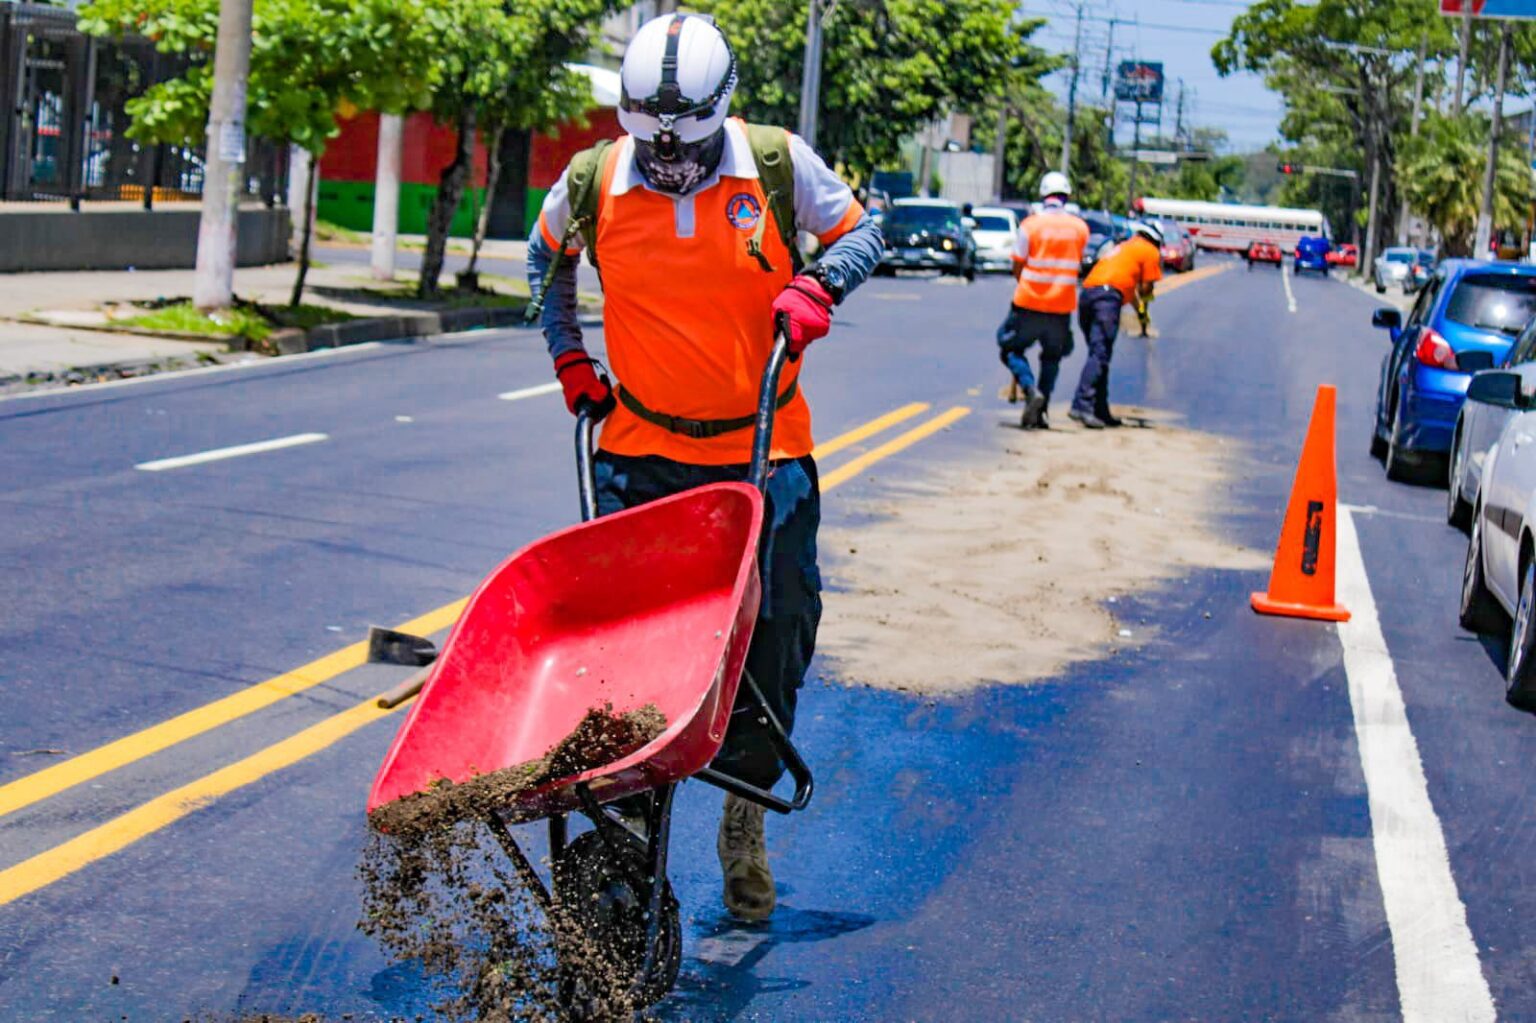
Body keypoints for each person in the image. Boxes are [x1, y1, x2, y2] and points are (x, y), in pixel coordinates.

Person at [525, 13, 882, 922]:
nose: (670, 163)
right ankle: (633, 834)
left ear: (724, 111)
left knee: (782, 623)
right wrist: (570, 355)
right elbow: (544, 259)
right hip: (640, 454)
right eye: (653, 145)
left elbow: (860, 234)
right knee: (627, 653)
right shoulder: (594, 179)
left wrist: (818, 285)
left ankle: (744, 809)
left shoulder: (776, 163)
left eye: (688, 147)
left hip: (767, 447)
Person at [997, 171, 1090, 430]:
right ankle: (1042, 408)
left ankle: (1029, 389)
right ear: (1066, 196)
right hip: (1061, 306)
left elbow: (1017, 262)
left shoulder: (1031, 225)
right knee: (1052, 357)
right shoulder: (1080, 228)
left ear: (1043, 195)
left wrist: (1025, 282)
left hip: (1028, 302)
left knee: (1009, 348)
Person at [1071, 219, 1164, 429]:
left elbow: (1130, 293)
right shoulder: (1149, 251)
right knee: (1100, 354)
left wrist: (1140, 313)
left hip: (1088, 295)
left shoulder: (1124, 249)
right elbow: (1146, 288)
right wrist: (1146, 303)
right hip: (1106, 299)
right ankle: (1081, 406)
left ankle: (1100, 410)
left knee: (1098, 355)